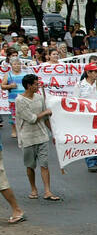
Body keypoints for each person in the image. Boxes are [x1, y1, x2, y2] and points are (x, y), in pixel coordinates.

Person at [14, 73, 59, 202]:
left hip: (42, 136)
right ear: (29, 86)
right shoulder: (20, 100)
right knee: (30, 165)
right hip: (27, 137)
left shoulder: (39, 97)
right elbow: (32, 119)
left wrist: (53, 133)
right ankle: (33, 189)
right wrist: (46, 112)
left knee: (44, 164)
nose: (38, 86)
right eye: (35, 84)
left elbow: (45, 118)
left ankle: (47, 191)